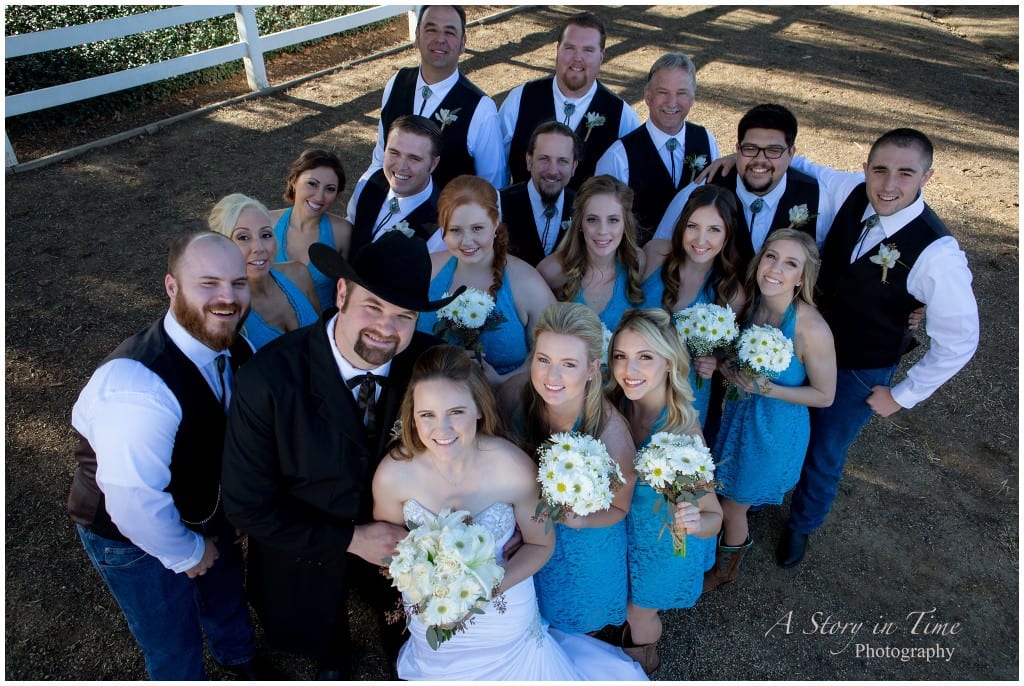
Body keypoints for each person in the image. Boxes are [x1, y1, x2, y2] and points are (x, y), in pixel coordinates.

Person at [221, 231, 463, 679]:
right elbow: (246, 503)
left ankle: (401, 641)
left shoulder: (434, 366)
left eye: (404, 315)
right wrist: (350, 539)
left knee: (407, 641)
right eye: (373, 306)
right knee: (324, 649)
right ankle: (332, 656)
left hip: (404, 545)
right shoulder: (267, 379)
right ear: (341, 294)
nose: (386, 328)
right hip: (306, 543)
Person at [373, 345, 647, 680]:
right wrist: (425, 583)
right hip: (433, 612)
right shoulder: (393, 474)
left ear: (478, 409)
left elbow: (540, 545)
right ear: (412, 415)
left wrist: (488, 589)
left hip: (503, 611)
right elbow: (386, 551)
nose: (441, 430)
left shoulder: (513, 467)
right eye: (427, 414)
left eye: (456, 412)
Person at [776, 128, 979, 567]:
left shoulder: (937, 253)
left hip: (860, 366)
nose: (888, 185)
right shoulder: (853, 190)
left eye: (905, 173)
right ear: (865, 168)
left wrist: (903, 394)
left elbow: (961, 339)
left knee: (825, 449)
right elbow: (806, 166)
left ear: (926, 177)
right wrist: (735, 161)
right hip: (804, 345)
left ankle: (801, 524)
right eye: (880, 170)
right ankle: (762, 492)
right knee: (782, 421)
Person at [67, 231, 265, 680]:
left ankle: (238, 659)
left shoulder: (236, 345)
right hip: (132, 537)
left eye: (237, 283)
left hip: (205, 509)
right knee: (172, 640)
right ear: (172, 286)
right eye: (208, 283)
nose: (228, 298)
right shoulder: (139, 387)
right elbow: (132, 502)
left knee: (225, 591)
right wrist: (188, 553)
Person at [498, 302, 638, 639]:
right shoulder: (515, 395)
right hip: (528, 532)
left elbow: (620, 507)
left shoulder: (612, 437)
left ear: (592, 369)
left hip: (581, 541)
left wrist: (580, 520)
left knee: (575, 624)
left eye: (569, 364)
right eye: (543, 360)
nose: (552, 377)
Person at [706, 229, 836, 589]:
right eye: (771, 257)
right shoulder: (753, 304)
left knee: (732, 507)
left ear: (802, 277)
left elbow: (825, 395)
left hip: (774, 432)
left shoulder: (811, 329)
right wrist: (726, 367)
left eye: (790, 264)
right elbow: (737, 360)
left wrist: (768, 389)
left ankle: (725, 570)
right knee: (725, 489)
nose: (775, 269)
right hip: (739, 418)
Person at [606, 308, 723, 675]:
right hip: (628, 531)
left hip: (664, 544)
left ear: (669, 362)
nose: (629, 369)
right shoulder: (618, 404)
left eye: (645, 357)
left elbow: (715, 517)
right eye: (620, 356)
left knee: (638, 612)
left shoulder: (682, 435)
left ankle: (645, 658)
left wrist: (694, 521)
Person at [655, 103, 831, 271]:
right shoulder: (701, 189)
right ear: (738, 149)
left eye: (773, 151)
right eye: (750, 148)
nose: (760, 160)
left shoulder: (818, 198)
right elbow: (659, 250)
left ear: (791, 153)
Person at [417, 175, 556, 386]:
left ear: (495, 223)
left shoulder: (527, 283)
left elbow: (552, 355)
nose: (467, 241)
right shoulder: (427, 270)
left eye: (477, 228)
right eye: (455, 230)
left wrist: (501, 381)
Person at [640, 184, 746, 430]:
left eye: (714, 230)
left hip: (684, 398)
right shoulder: (656, 254)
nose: (700, 239)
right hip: (633, 381)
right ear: (682, 226)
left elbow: (728, 352)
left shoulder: (731, 293)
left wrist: (715, 361)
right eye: (693, 226)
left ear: (728, 235)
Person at [367, 5, 505, 190]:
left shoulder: (481, 109)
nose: (440, 39)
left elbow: (492, 188)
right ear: (417, 35)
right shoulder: (397, 82)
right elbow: (379, 159)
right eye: (431, 30)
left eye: (449, 32)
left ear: (463, 43)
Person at [499, 10, 641, 189]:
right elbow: (497, 170)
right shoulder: (520, 99)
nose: (577, 58)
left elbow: (628, 190)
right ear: (557, 49)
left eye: (588, 50)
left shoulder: (622, 117)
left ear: (601, 56)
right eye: (570, 48)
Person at [596, 53, 719, 245]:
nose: (672, 102)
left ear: (692, 98)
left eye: (681, 93)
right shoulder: (618, 157)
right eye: (663, 92)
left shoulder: (706, 140)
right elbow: (602, 226)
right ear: (648, 96)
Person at [208, 193, 320, 350]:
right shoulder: (225, 312)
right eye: (243, 237)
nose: (259, 248)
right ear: (221, 246)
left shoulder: (298, 275)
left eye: (266, 235)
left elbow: (326, 336)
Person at [537, 175, 645, 332]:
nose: (602, 231)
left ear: (625, 224)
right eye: (592, 220)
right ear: (580, 223)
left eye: (613, 220)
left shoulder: (636, 261)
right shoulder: (552, 271)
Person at [345, 115, 442, 257]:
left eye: (414, 158)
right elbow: (349, 227)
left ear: (433, 164)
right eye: (394, 153)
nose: (401, 166)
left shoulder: (441, 226)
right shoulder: (369, 182)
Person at [269, 148, 349, 311]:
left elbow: (348, 290)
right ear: (294, 181)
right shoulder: (267, 223)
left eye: (330, 189)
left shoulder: (342, 233)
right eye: (312, 184)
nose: (319, 197)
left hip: (320, 323)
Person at [499, 121, 580, 267]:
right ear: (529, 161)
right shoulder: (499, 204)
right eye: (544, 159)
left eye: (562, 161)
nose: (552, 171)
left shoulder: (583, 207)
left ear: (573, 167)